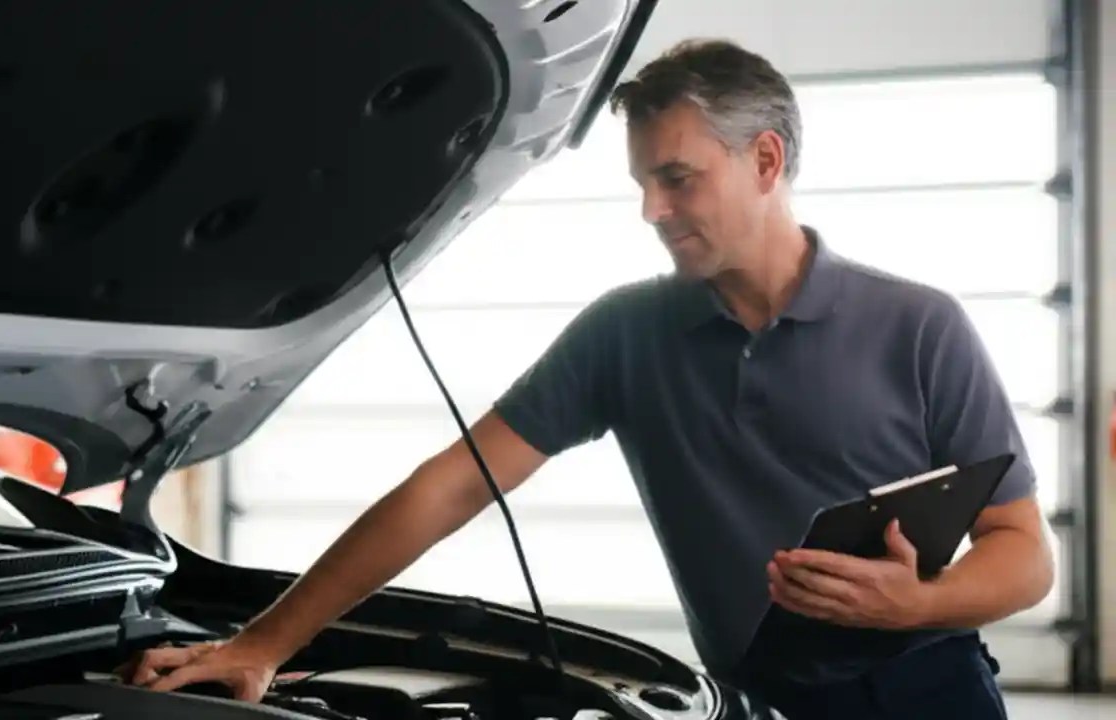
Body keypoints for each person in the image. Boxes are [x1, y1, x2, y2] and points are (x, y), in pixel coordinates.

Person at [120, 39, 1055, 719]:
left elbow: (1023, 552)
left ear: (765, 160)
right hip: (753, 703)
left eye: (678, 178)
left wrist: (919, 601)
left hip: (932, 695)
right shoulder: (625, 333)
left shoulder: (919, 326)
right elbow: (449, 486)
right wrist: (264, 644)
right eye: (644, 181)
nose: (651, 208)